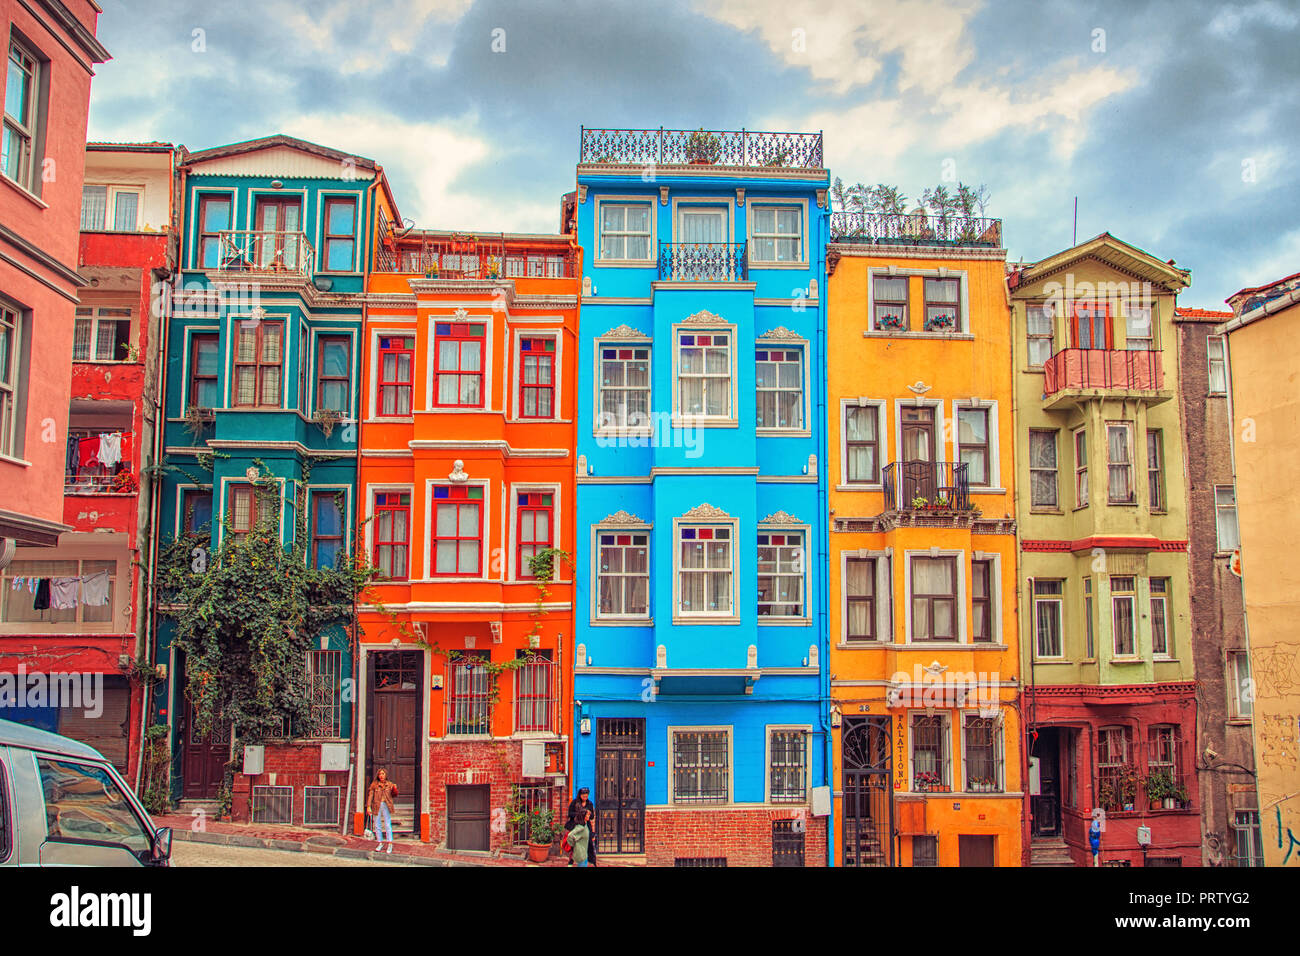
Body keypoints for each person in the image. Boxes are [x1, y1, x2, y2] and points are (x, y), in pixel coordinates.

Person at [367, 768, 398, 854]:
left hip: (386, 805)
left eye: (383, 774)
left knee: (387, 824)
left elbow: (395, 795)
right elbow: (370, 796)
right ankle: (380, 842)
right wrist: (368, 806)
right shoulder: (374, 785)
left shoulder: (390, 784)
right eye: (380, 774)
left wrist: (395, 789)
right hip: (376, 805)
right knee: (377, 824)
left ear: (386, 775)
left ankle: (390, 843)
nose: (381, 776)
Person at [566, 786, 598, 866]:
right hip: (576, 825)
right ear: (580, 795)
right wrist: (580, 815)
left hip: (586, 825)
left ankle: (591, 861)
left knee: (589, 844)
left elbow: (592, 816)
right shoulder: (575, 803)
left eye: (586, 796)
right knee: (575, 845)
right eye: (583, 796)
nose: (585, 798)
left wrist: (588, 815)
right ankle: (572, 860)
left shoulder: (589, 804)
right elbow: (570, 814)